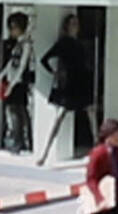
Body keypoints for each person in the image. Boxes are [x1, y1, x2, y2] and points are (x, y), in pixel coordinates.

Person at [36, 14, 94, 166]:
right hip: (70, 82)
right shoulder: (63, 43)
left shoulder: (79, 44)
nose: (76, 27)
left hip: (80, 81)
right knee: (60, 118)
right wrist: (55, 73)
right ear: (67, 26)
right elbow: (44, 59)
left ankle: (97, 149)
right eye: (73, 24)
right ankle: (45, 153)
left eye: (77, 23)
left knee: (91, 114)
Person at [0, 12, 33, 154]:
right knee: (14, 111)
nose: (12, 30)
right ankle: (18, 140)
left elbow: (22, 65)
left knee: (19, 112)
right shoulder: (17, 44)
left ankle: (22, 141)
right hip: (12, 79)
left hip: (19, 82)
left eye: (14, 27)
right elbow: (12, 62)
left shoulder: (26, 44)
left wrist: (12, 85)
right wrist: (3, 74)